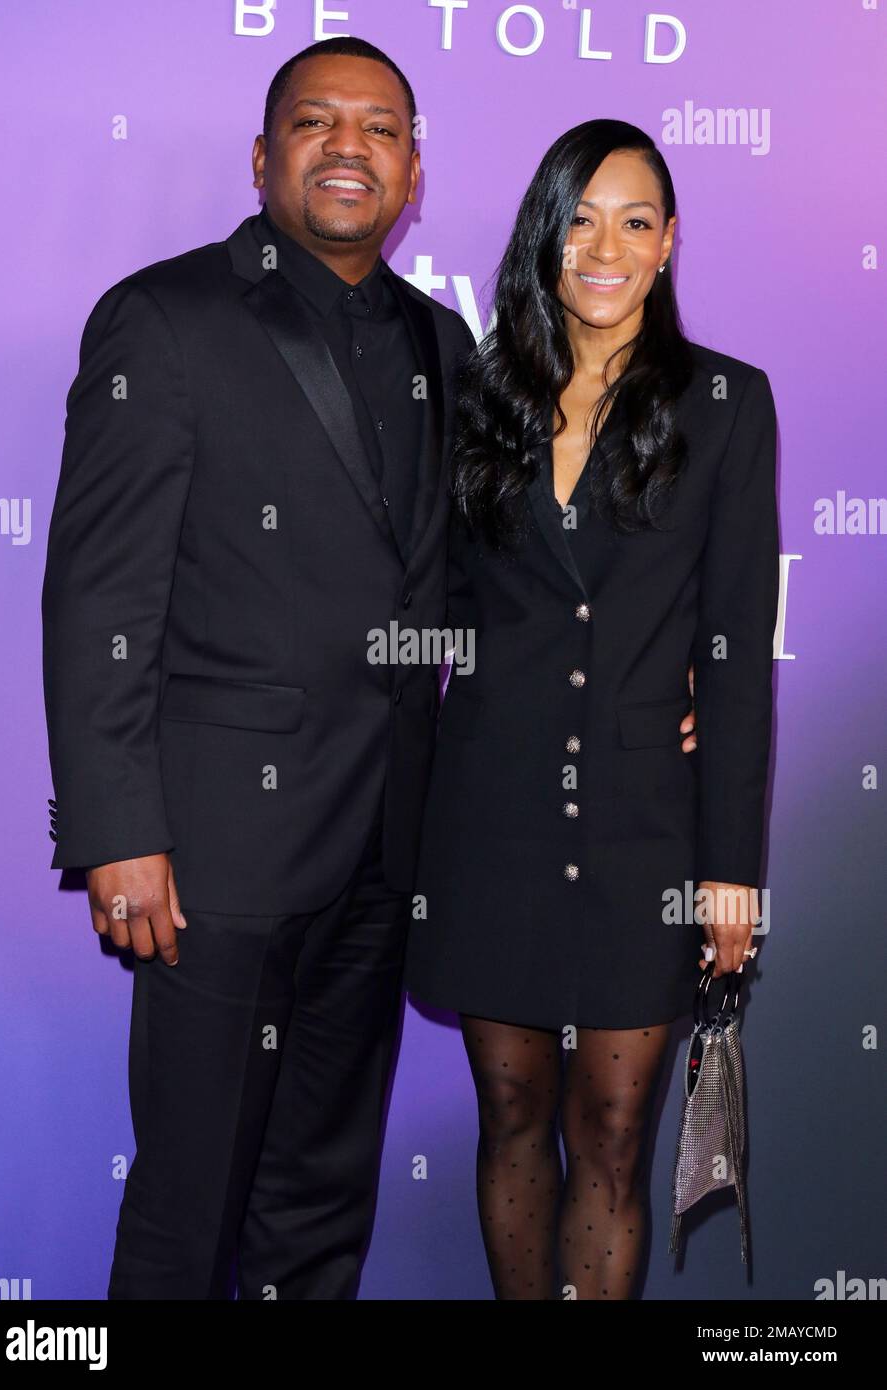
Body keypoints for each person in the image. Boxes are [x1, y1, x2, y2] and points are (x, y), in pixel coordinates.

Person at [41, 36, 475, 1300]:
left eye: (382, 128)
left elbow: (455, 594)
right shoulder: (164, 318)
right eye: (317, 122)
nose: (351, 147)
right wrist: (119, 828)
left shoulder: (442, 345)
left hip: (382, 852)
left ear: (412, 170)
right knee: (189, 1215)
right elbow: (100, 594)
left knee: (320, 1211)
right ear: (262, 154)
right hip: (215, 863)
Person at [403, 119, 779, 1300]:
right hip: (490, 815)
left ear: (668, 243)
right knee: (512, 1120)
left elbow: (732, 656)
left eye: (632, 220)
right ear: (543, 236)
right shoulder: (476, 398)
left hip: (642, 834)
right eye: (577, 217)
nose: (602, 246)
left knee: (609, 1141)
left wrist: (730, 868)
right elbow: (436, 611)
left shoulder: (725, 403)